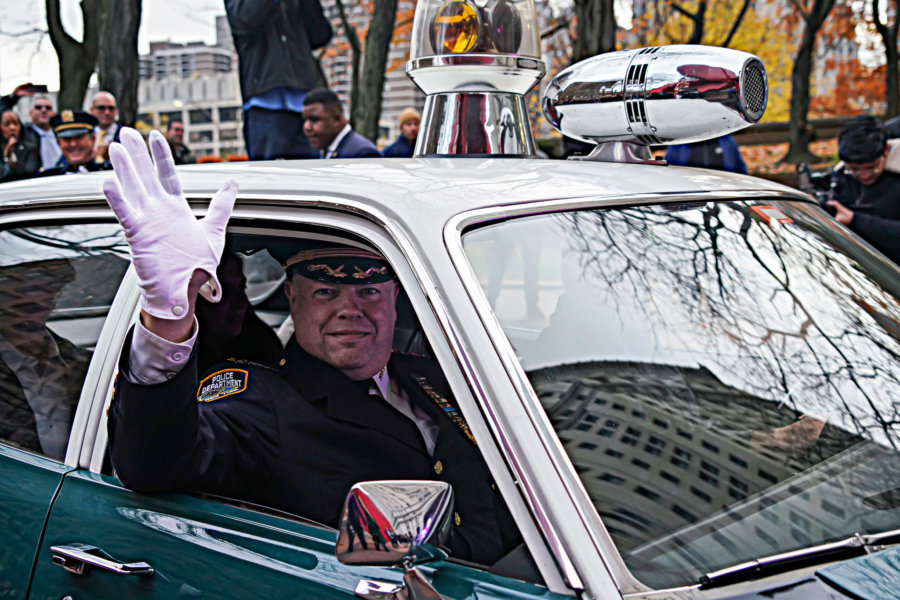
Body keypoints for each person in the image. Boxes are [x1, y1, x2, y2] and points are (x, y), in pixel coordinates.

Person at [102, 127, 520, 566]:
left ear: (395, 297)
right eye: (326, 292)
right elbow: (155, 465)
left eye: (369, 291)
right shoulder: (263, 402)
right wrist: (168, 318)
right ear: (293, 299)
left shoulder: (429, 374)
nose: (350, 310)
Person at [226, 0, 331, 161]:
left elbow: (320, 35)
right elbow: (246, 20)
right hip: (264, 105)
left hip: (305, 106)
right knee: (269, 175)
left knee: (311, 174)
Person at [827, 115, 900, 265]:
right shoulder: (840, 177)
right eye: (854, 169)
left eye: (871, 168)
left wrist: (855, 220)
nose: (864, 176)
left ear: (886, 150)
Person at [194, 251, 282, 374]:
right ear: (196, 299)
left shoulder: (261, 344)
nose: (241, 301)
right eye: (223, 290)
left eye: (242, 287)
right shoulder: (177, 363)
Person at [302, 89, 380, 159]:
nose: (307, 127)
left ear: (336, 120)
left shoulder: (363, 154)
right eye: (305, 120)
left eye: (314, 120)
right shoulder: (326, 149)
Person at [41, 111, 112, 175]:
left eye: (79, 137)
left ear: (93, 139)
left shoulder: (111, 172)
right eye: (67, 139)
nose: (73, 144)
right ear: (59, 142)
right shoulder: (47, 178)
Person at [664, 134, 747, 173]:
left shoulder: (726, 140)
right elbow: (668, 171)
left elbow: (740, 171)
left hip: (722, 193)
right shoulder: (679, 143)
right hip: (691, 194)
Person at [0, 110, 41, 182]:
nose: (12, 128)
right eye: (7, 124)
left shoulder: (30, 148)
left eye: (15, 123)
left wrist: (11, 161)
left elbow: (30, 172)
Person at [28, 96, 63, 169]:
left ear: (54, 113)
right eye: (38, 107)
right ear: (31, 113)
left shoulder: (61, 134)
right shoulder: (23, 135)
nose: (43, 110)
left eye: (48, 108)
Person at [90, 91, 120, 163]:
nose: (107, 112)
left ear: (116, 111)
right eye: (101, 108)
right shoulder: (85, 135)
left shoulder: (124, 135)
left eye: (111, 108)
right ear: (92, 110)